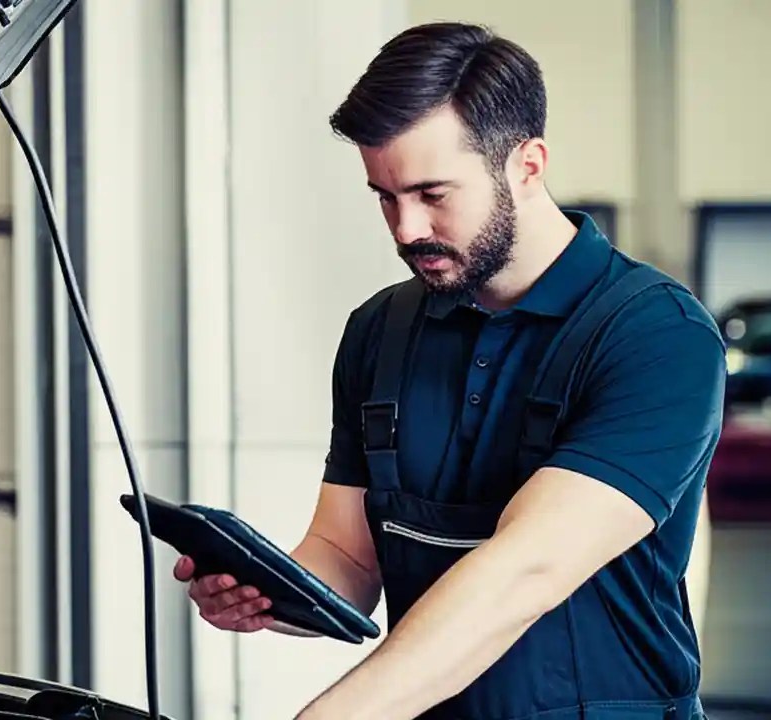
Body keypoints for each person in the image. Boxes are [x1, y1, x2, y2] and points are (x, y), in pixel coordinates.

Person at [172, 21, 726, 720]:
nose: (405, 228)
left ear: (527, 164)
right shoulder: (380, 330)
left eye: (433, 193)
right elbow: (347, 558)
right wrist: (273, 595)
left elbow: (526, 571)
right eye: (384, 195)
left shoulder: (655, 335)